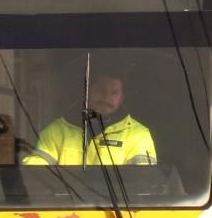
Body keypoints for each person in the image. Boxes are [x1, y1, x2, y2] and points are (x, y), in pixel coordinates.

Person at [23, 70, 158, 166]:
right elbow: (36, 175)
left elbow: (143, 185)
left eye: (114, 92)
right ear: (87, 92)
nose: (106, 98)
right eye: (100, 90)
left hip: (116, 207)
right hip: (66, 206)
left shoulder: (138, 135)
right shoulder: (56, 132)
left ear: (122, 98)